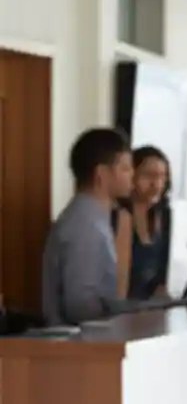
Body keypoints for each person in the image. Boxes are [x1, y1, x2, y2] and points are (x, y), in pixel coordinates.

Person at [41, 128, 136, 325]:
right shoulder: (85, 225)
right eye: (125, 168)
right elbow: (81, 307)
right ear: (101, 174)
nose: (132, 176)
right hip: (78, 348)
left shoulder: (94, 217)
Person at [113, 146, 172, 300]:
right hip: (123, 305)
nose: (157, 184)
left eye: (162, 177)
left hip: (152, 306)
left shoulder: (164, 214)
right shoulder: (118, 215)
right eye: (149, 176)